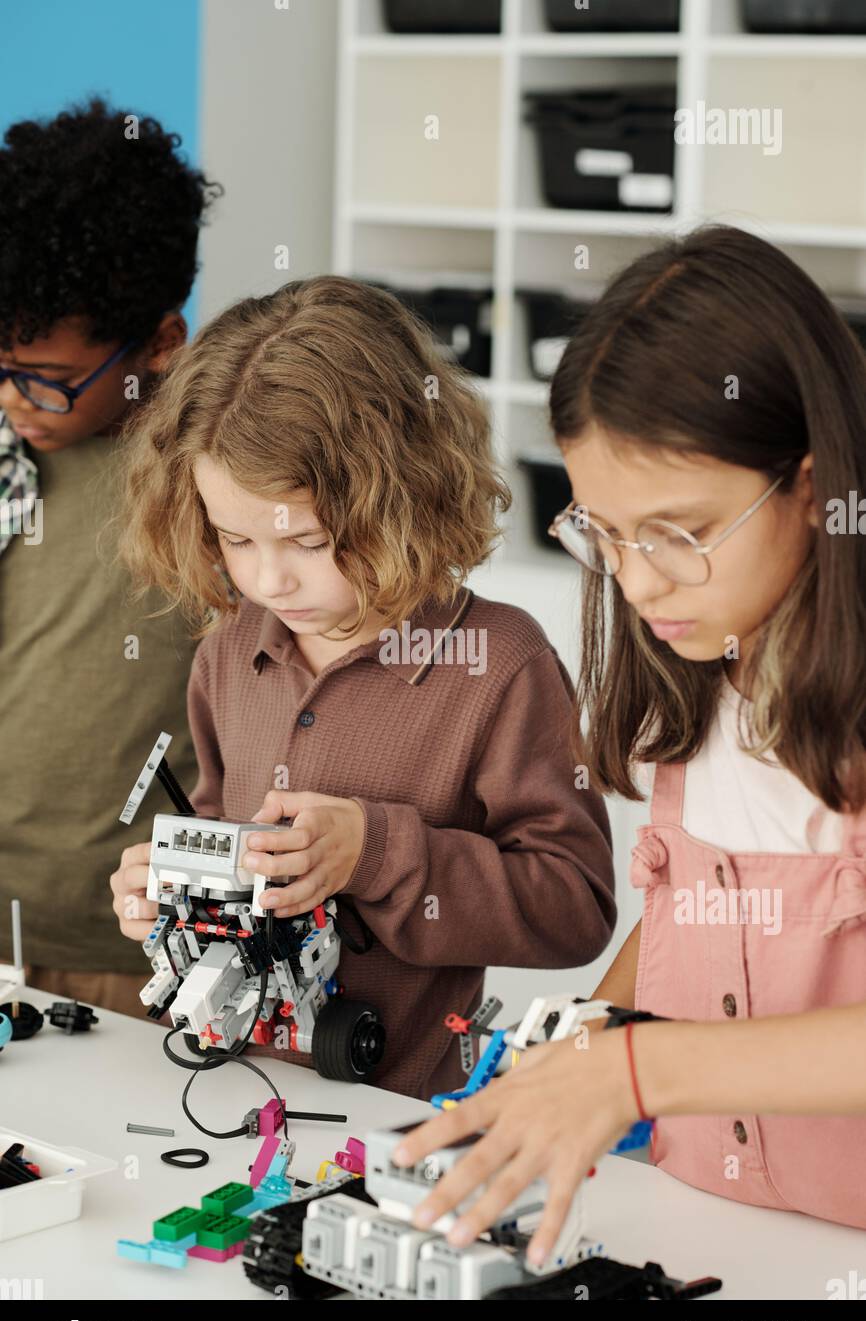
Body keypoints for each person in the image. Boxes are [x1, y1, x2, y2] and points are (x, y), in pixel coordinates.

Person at [391, 226, 866, 1255]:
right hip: (708, 1231)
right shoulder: (703, 678)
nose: (639, 580)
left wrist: (636, 1075)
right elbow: (702, 913)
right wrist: (591, 1028)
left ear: (811, 483)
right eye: (602, 534)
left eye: (677, 531)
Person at [109, 274, 617, 1099]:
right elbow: (217, 825)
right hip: (221, 1089)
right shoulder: (229, 650)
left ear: (402, 497)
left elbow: (575, 909)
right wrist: (171, 893)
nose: (267, 578)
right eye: (234, 538)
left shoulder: (501, 662)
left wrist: (376, 850)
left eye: (307, 541)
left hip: (394, 1114)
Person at [0, 98, 222, 1014]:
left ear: (162, 343)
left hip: (136, 954)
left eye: (47, 383)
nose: (15, 401)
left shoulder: (215, 473)